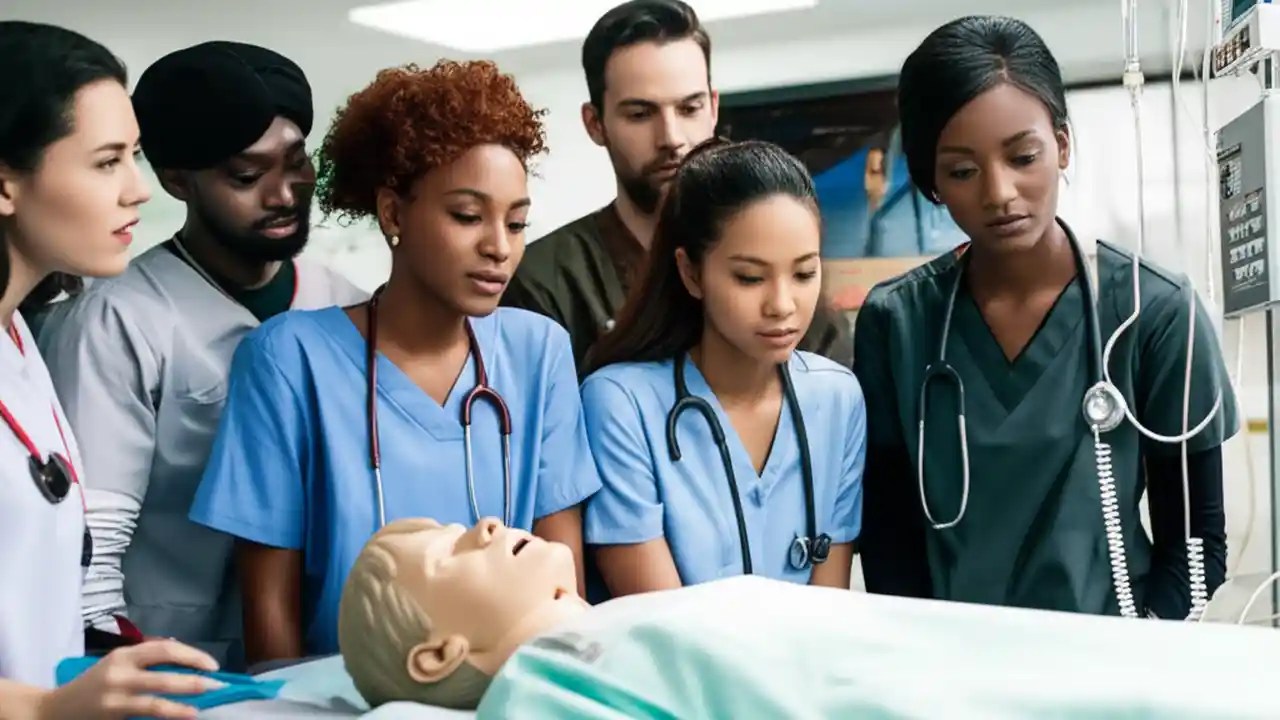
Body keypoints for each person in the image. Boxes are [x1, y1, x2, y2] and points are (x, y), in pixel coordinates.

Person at [188, 60, 602, 666]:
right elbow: (269, 617)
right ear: (393, 214)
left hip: (507, 693)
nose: (499, 246)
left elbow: (564, 586)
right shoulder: (287, 360)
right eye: (467, 216)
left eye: (516, 222)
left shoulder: (538, 352)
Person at [853, 16, 1238, 619]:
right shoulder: (896, 322)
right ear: (931, 183)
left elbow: (1196, 547)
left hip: (1112, 678)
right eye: (962, 170)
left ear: (1061, 144)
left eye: (1023, 156)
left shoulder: (1155, 312)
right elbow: (889, 540)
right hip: (954, 683)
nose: (1000, 192)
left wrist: (1133, 659)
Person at [32, 40, 366, 669]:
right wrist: (119, 671)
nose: (285, 193)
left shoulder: (344, 305)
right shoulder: (115, 320)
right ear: (177, 180)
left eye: (297, 162)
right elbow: (88, 555)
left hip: (322, 658)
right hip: (161, 662)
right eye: (246, 176)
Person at [328, 517, 1280, 717]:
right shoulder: (543, 685)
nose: (489, 520)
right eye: (454, 546)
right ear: (439, 655)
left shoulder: (610, 629)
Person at [0, 20, 226, 720]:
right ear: (5, 183)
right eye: (106, 162)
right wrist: (45, 708)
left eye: (135, 156)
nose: (138, 191)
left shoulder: (20, 341)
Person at [579, 139, 864, 596]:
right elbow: (660, 623)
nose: (782, 305)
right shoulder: (620, 404)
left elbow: (828, 605)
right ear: (691, 273)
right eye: (750, 277)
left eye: (804, 273)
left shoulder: (838, 397)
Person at [501, 0, 853, 371]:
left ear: (713, 108)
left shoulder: (796, 303)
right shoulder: (545, 285)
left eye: (689, 109)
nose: (671, 137)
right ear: (595, 123)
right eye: (640, 114)